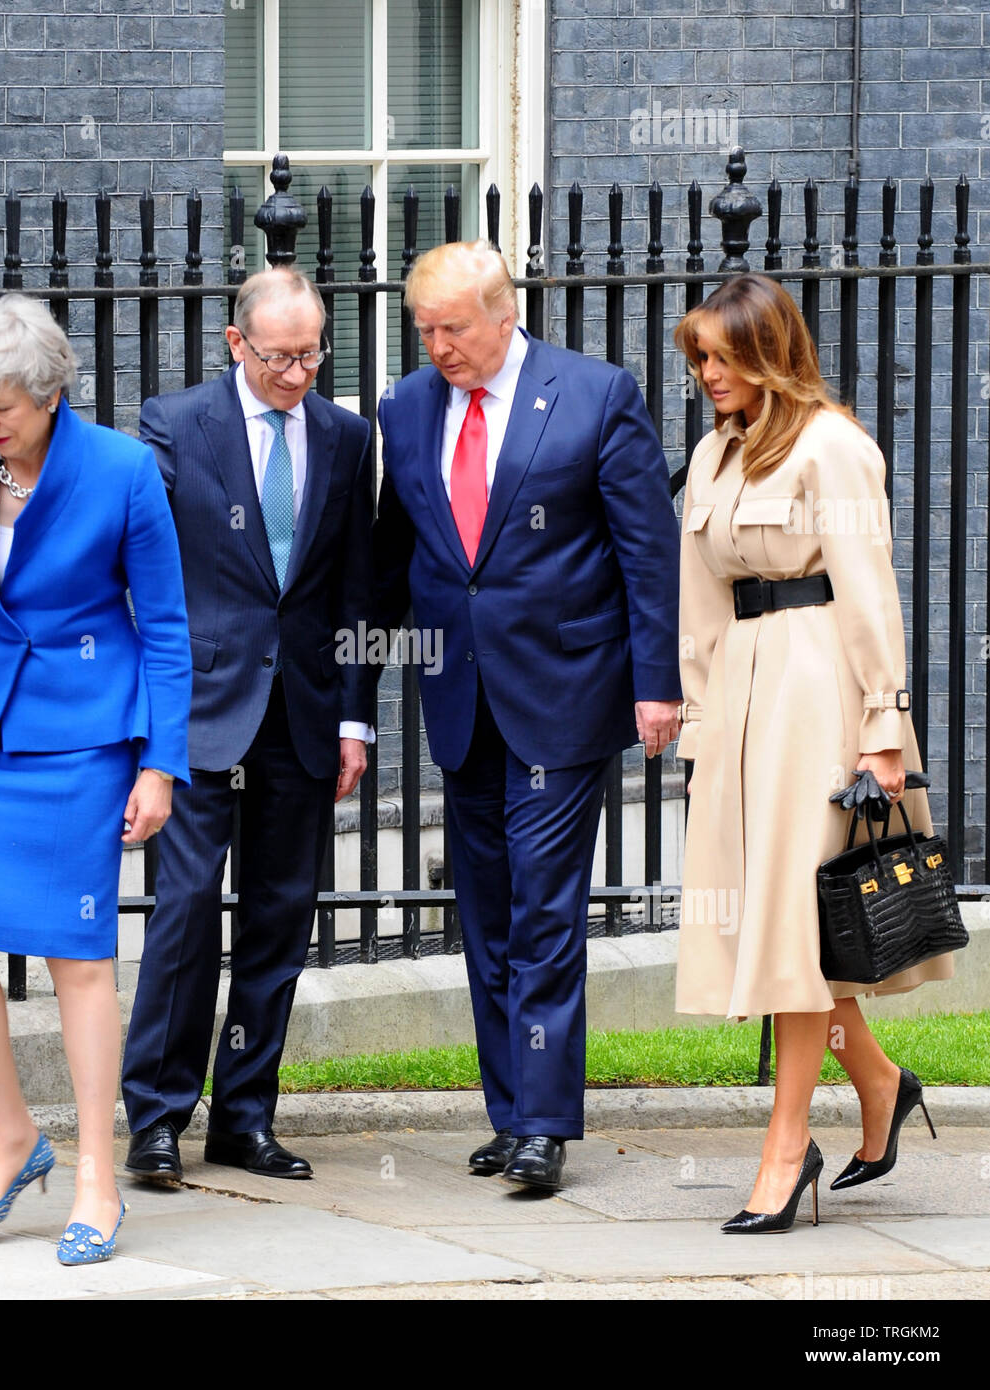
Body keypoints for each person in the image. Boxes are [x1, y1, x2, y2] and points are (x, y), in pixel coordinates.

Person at [0, 294, 193, 1265]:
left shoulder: (124, 473)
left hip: (80, 738)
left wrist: (160, 762)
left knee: (79, 954)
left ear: (52, 394)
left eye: (4, 408)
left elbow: (169, 629)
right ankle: (12, 1133)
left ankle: (97, 1175)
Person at [373, 240, 682, 1192]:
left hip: (563, 694)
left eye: (451, 329)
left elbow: (647, 551)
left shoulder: (594, 395)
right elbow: (399, 555)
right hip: (460, 699)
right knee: (487, 913)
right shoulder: (408, 406)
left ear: (504, 314)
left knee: (545, 907)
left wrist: (656, 682)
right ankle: (510, 1114)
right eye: (423, 330)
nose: (437, 348)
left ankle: (547, 1123)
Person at [673, 272, 953, 1234]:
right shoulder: (715, 454)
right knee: (782, 929)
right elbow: (699, 603)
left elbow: (869, 592)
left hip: (818, 690)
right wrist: (702, 724)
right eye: (697, 356)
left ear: (766, 351)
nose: (705, 373)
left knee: (796, 930)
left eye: (720, 355)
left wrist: (883, 731)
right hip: (747, 694)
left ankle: (785, 1152)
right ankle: (877, 1082)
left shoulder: (833, 445)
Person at [121, 268, 374, 1184]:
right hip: (197, 715)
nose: (297, 374)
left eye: (311, 355)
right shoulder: (176, 424)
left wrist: (354, 716)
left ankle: (245, 1117)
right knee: (184, 915)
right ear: (237, 344)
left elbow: (355, 586)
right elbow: (140, 573)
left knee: (278, 921)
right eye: (278, 357)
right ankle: (155, 1117)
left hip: (302, 717)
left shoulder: (348, 439)